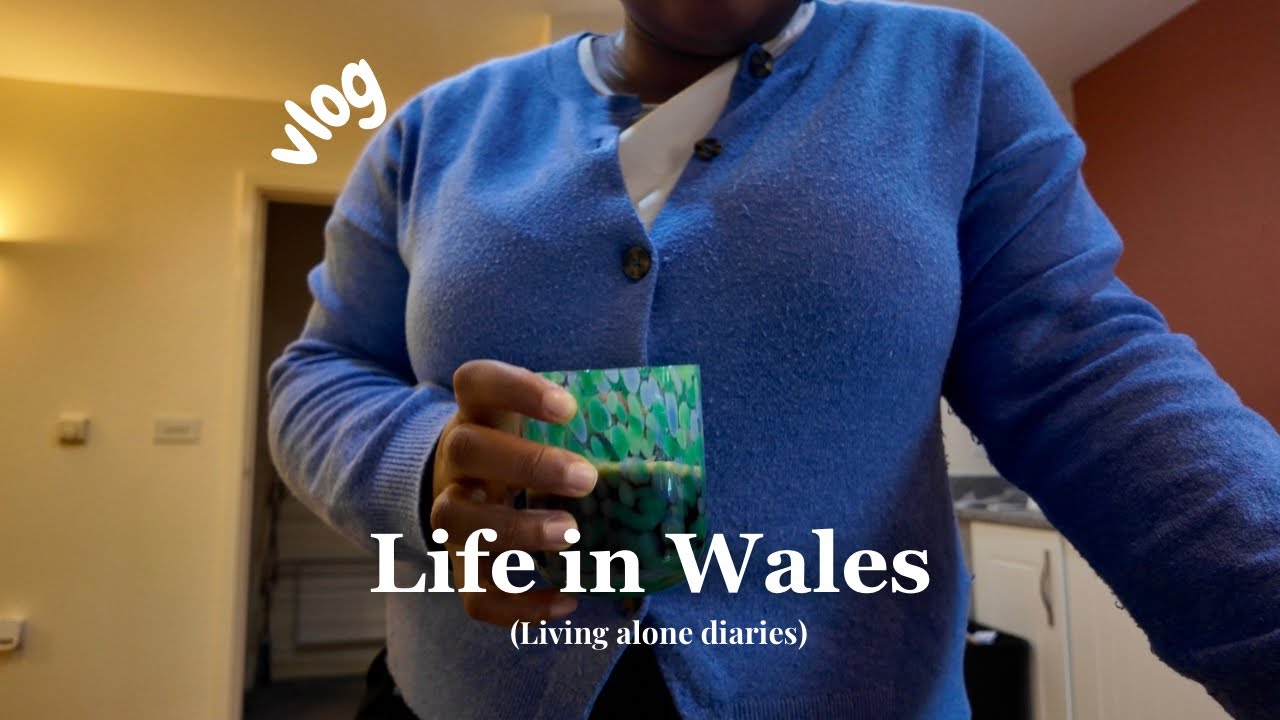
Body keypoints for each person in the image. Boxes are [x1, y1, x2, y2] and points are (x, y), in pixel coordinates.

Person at [265, 0, 1280, 717]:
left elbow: (1082, 368)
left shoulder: (953, 80)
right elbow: (315, 374)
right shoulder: (430, 133)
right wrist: (417, 459)